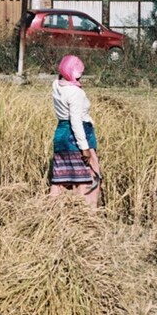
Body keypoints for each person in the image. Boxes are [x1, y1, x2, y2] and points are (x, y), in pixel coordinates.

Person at [48, 54, 101, 208]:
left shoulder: (56, 85)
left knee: (62, 178)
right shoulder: (75, 93)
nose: (80, 77)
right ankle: (86, 214)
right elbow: (76, 122)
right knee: (87, 178)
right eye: (79, 73)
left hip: (61, 136)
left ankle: (54, 211)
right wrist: (84, 148)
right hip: (76, 137)